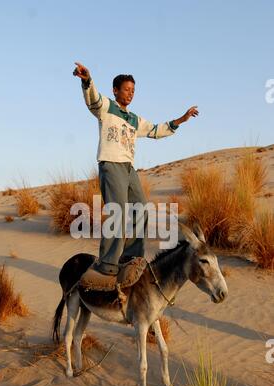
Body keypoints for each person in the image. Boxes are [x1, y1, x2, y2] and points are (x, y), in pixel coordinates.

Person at [74, 62, 199, 290]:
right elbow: (92, 99)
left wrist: (180, 120)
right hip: (111, 164)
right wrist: (87, 80)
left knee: (141, 207)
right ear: (115, 90)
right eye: (126, 89)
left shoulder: (134, 119)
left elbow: (155, 130)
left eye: (133, 90)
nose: (130, 93)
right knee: (117, 212)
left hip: (129, 168)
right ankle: (108, 264)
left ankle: (131, 257)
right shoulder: (106, 107)